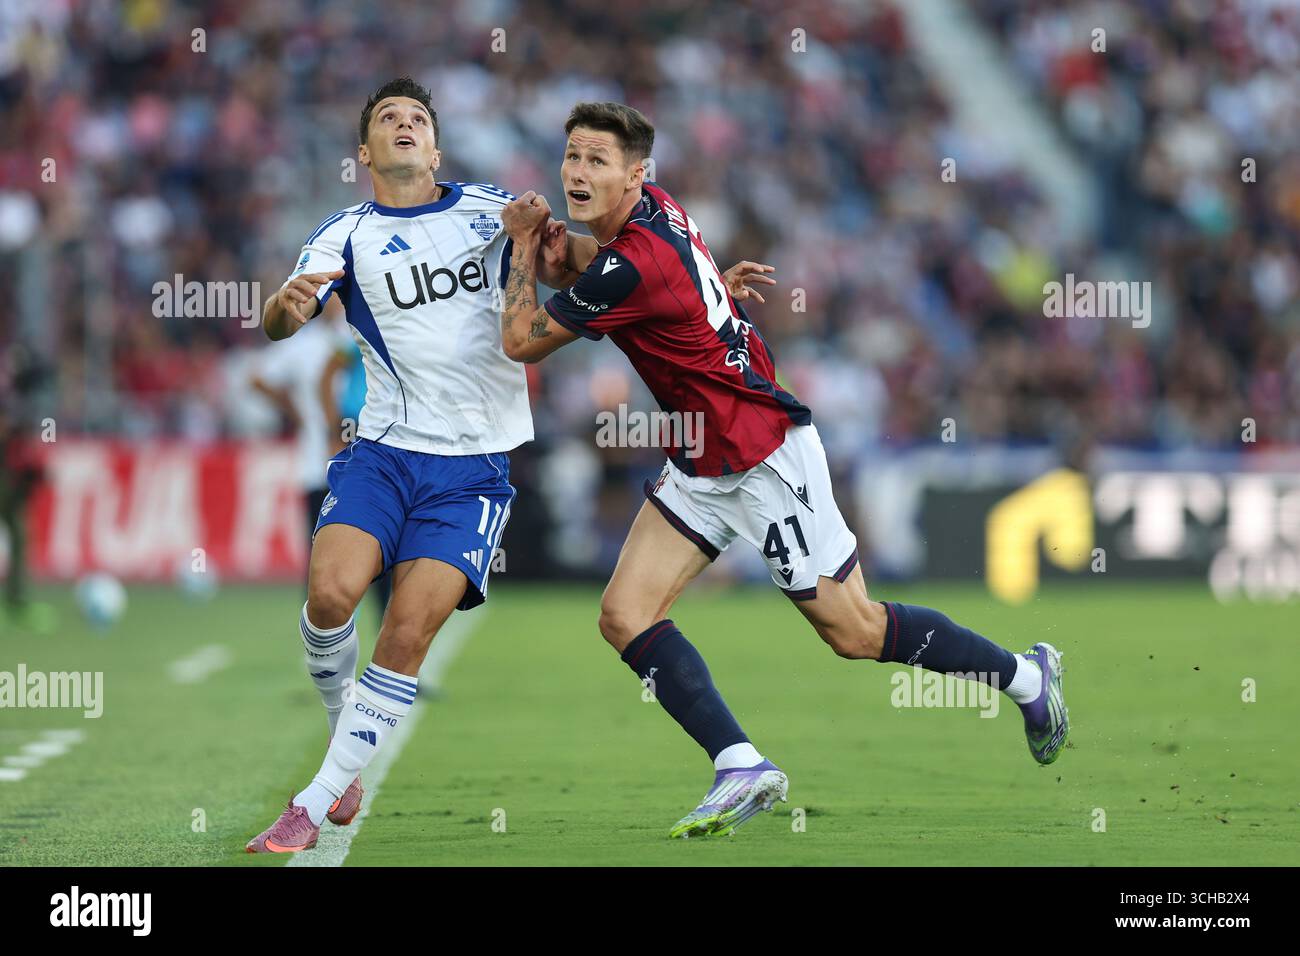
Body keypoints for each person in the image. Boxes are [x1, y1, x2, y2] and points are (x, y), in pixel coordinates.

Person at [497, 102, 1070, 838]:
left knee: (854, 631)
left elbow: (520, 340)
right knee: (624, 615)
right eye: (572, 155)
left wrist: (520, 248)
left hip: (762, 454)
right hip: (703, 457)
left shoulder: (636, 259)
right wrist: (651, 278)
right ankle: (740, 764)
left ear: (636, 174)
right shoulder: (652, 220)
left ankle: (1027, 677)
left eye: (596, 160)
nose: (577, 171)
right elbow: (604, 267)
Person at [246, 78, 774, 853]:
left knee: (405, 634)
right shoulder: (344, 233)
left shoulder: (489, 211)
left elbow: (586, 268)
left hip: (473, 471)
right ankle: (343, 742)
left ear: (435, 148)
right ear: (365, 152)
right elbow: (279, 320)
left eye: (417, 118)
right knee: (329, 597)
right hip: (383, 452)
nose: (403, 125)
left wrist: (694, 294)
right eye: (388, 118)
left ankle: (315, 800)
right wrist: (284, 312)